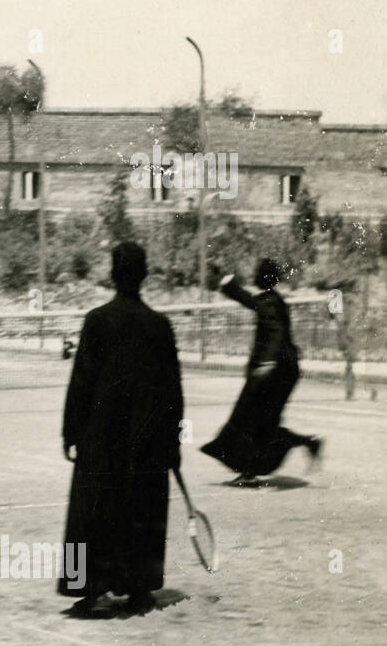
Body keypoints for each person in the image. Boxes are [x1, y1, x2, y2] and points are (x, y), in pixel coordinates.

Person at [59, 242, 184, 617]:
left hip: (101, 437)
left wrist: (70, 433)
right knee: (143, 511)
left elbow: (81, 382)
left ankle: (89, 590)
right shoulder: (159, 325)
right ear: (144, 275)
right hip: (146, 439)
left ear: (112, 274)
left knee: (90, 511)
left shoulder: (97, 320)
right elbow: (173, 391)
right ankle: (140, 588)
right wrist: (172, 442)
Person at [200, 259, 321, 484]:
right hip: (281, 371)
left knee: (253, 421)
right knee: (262, 422)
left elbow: (275, 332)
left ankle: (249, 471)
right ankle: (307, 442)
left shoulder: (270, 303)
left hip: (275, 372)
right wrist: (225, 280)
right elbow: (246, 299)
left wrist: (267, 362)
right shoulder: (271, 299)